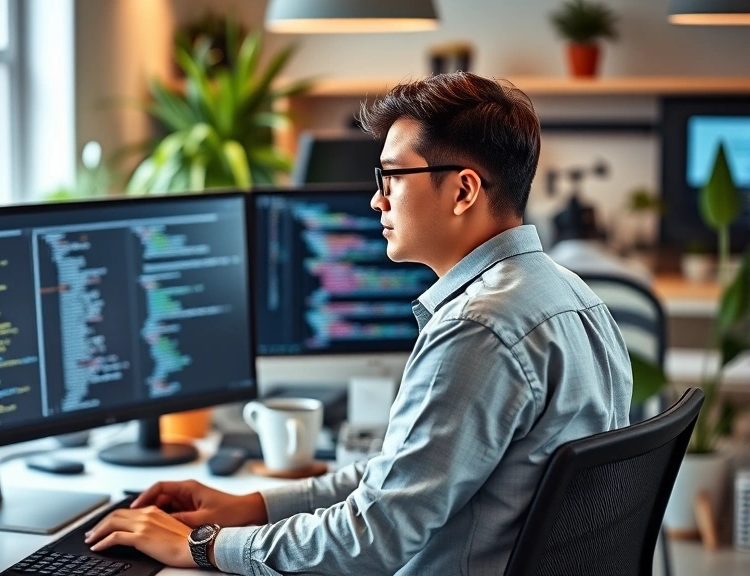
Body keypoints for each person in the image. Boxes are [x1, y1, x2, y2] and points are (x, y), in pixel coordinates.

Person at [84, 72, 633, 575]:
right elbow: (400, 480)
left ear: (464, 190)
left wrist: (201, 546)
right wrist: (252, 505)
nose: (377, 199)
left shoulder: (478, 329)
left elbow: (372, 538)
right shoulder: (576, 297)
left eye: (393, 177)